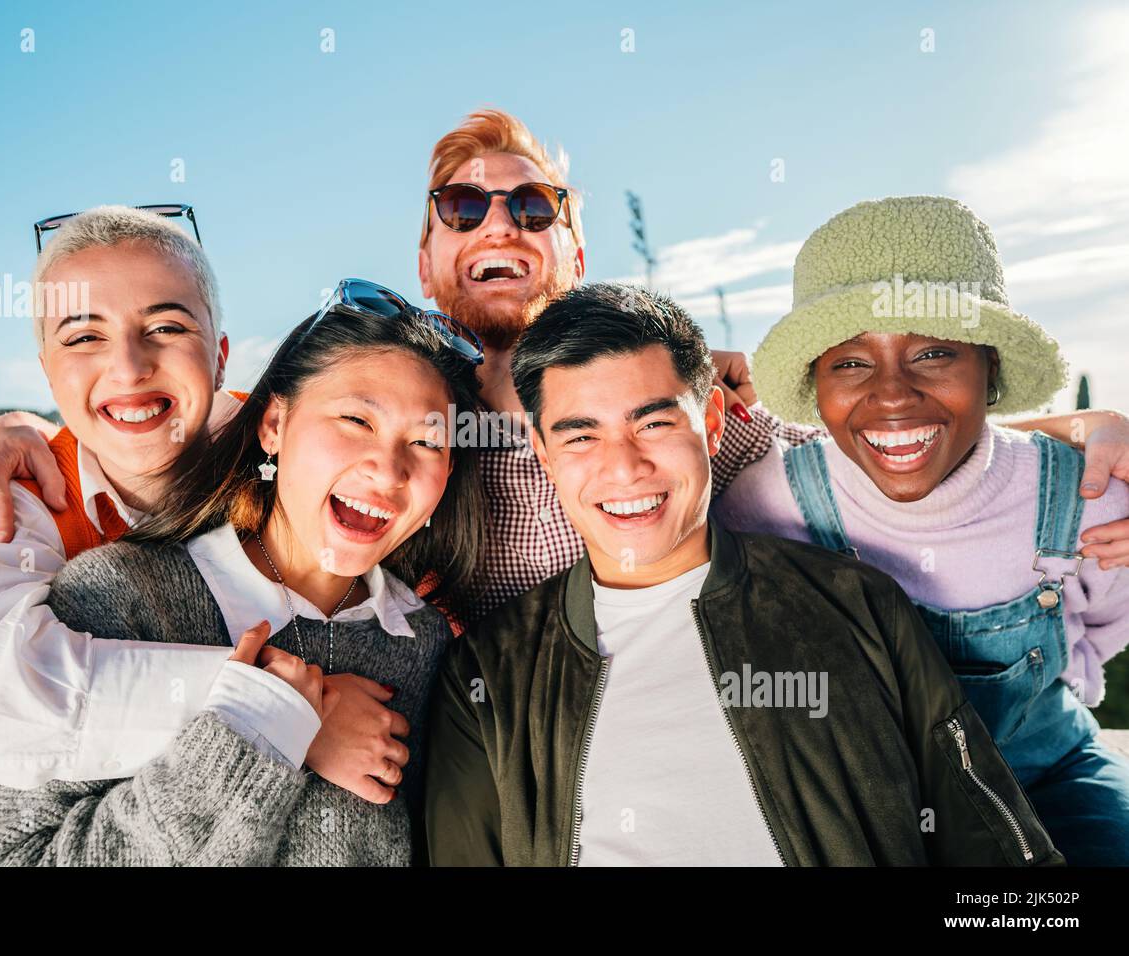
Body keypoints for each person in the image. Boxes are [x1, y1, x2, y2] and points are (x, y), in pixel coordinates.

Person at [0, 111, 1129, 629]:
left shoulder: (695, 411)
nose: (495, 218)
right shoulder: (384, 424)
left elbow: (866, 462)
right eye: (462, 203)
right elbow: (197, 421)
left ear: (573, 242)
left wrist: (1058, 439)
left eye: (530, 201)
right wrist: (11, 422)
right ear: (428, 251)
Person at [425, 282, 1061, 866]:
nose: (624, 469)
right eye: (581, 436)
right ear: (543, 452)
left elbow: (996, 851)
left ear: (710, 424)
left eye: (653, 423)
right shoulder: (486, 674)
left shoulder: (856, 603)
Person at [0, 284, 487, 865]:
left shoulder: (425, 641)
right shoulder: (117, 598)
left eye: (426, 441)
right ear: (274, 426)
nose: (389, 471)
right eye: (356, 420)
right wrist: (268, 727)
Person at [0, 211, 411, 804]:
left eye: (167, 328)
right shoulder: (21, 496)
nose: (129, 367)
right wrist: (281, 713)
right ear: (49, 373)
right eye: (83, 337)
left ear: (221, 355)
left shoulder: (293, 449)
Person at [712, 195, 1129, 864]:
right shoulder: (770, 505)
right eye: (850, 362)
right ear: (815, 383)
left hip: (1052, 774)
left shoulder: (1083, 499)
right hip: (878, 801)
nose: (894, 395)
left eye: (933, 352)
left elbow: (1105, 629)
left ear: (990, 367)